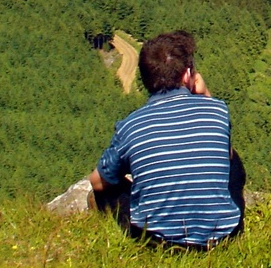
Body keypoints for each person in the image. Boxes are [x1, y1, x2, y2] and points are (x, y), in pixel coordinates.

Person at [88, 31, 244, 250]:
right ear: (187, 75)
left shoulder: (130, 125)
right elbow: (225, 156)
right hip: (221, 239)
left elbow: (97, 182)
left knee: (105, 186)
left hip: (157, 243)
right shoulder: (218, 110)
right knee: (233, 160)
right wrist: (204, 94)